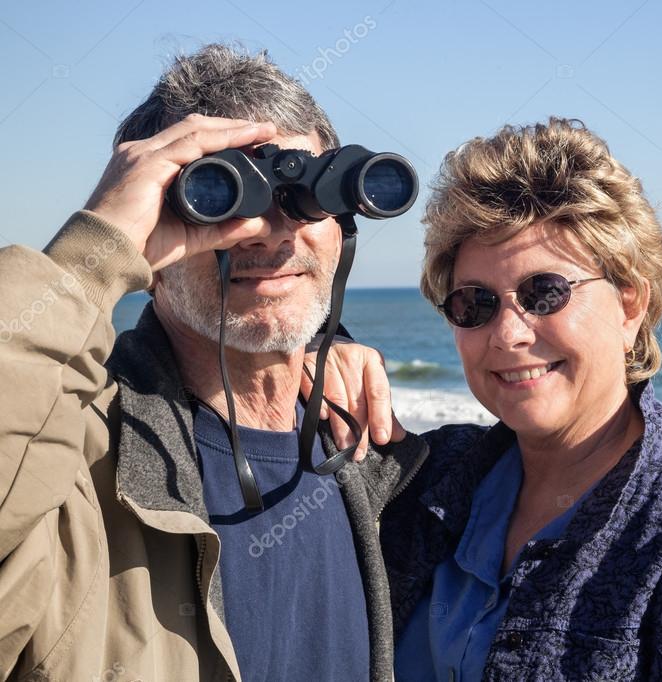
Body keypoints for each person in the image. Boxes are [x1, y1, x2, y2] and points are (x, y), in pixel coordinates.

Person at [0, 44, 421, 681]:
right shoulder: (71, 467)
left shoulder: (382, 459)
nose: (271, 232)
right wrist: (94, 256)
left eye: (301, 192)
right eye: (221, 196)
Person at [370, 118, 662, 680]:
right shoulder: (428, 484)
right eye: (474, 303)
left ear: (629, 305)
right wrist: (322, 350)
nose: (509, 333)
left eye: (544, 293)